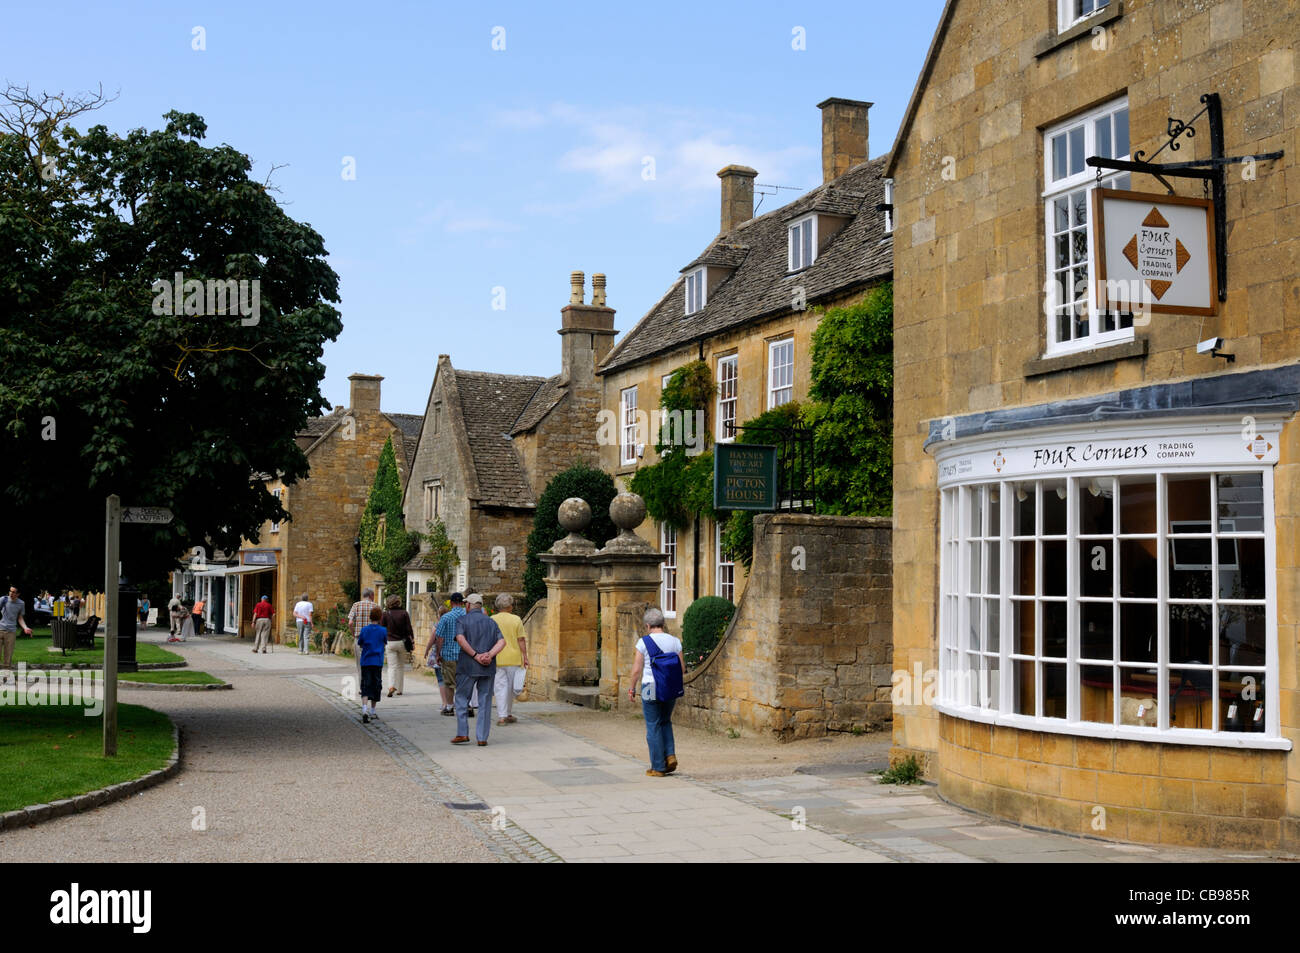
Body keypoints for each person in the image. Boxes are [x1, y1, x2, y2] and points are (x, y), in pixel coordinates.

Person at [627, 607, 684, 777]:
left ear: (647, 625)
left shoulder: (643, 643)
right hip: (669, 686)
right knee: (665, 721)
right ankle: (670, 755)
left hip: (649, 687)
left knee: (653, 725)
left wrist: (632, 688)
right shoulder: (674, 641)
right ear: (663, 623)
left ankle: (658, 767)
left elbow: (637, 669)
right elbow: (681, 668)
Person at [450, 593, 505, 746]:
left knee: (461, 698)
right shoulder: (491, 622)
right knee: (485, 701)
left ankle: (462, 733)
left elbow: (461, 639)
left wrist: (475, 655)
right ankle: (482, 737)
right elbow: (502, 642)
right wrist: (489, 655)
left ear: (468, 605)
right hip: (488, 667)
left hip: (467, 666)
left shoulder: (462, 620)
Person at [491, 593, 528, 725]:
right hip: (513, 658)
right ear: (510, 606)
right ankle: (508, 714)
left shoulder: (492, 619)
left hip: (497, 657)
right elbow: (521, 640)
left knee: (500, 688)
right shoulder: (516, 619)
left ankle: (502, 716)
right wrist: (525, 656)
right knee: (511, 689)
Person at [430, 593, 466, 716]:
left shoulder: (445, 617)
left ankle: (450, 707)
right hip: (465, 654)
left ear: (451, 603)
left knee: (449, 683)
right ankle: (466, 706)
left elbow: (439, 638)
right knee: (464, 682)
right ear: (462, 602)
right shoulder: (467, 616)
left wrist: (438, 654)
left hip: (449, 654)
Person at [355, 606, 388, 723]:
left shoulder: (364, 630)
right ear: (380, 618)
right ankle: (373, 711)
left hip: (366, 661)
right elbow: (385, 642)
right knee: (376, 685)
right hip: (377, 661)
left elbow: (360, 643)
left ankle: (364, 709)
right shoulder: (383, 630)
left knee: (365, 685)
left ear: (370, 617)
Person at [381, 594, 413, 697]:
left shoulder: (385, 614)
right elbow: (409, 629)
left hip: (390, 642)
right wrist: (413, 640)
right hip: (402, 642)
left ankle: (391, 686)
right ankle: (399, 689)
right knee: (400, 666)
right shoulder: (404, 613)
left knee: (391, 666)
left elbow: (382, 628)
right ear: (398, 602)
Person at [0, 585, 33, 680]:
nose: (11, 593)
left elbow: (20, 617)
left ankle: (6, 678)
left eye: (14, 592)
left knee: (8, 655)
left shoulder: (21, 603)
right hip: (0, 629)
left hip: (11, 632)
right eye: (10, 591)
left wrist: (25, 627)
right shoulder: (3, 599)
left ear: (18, 594)